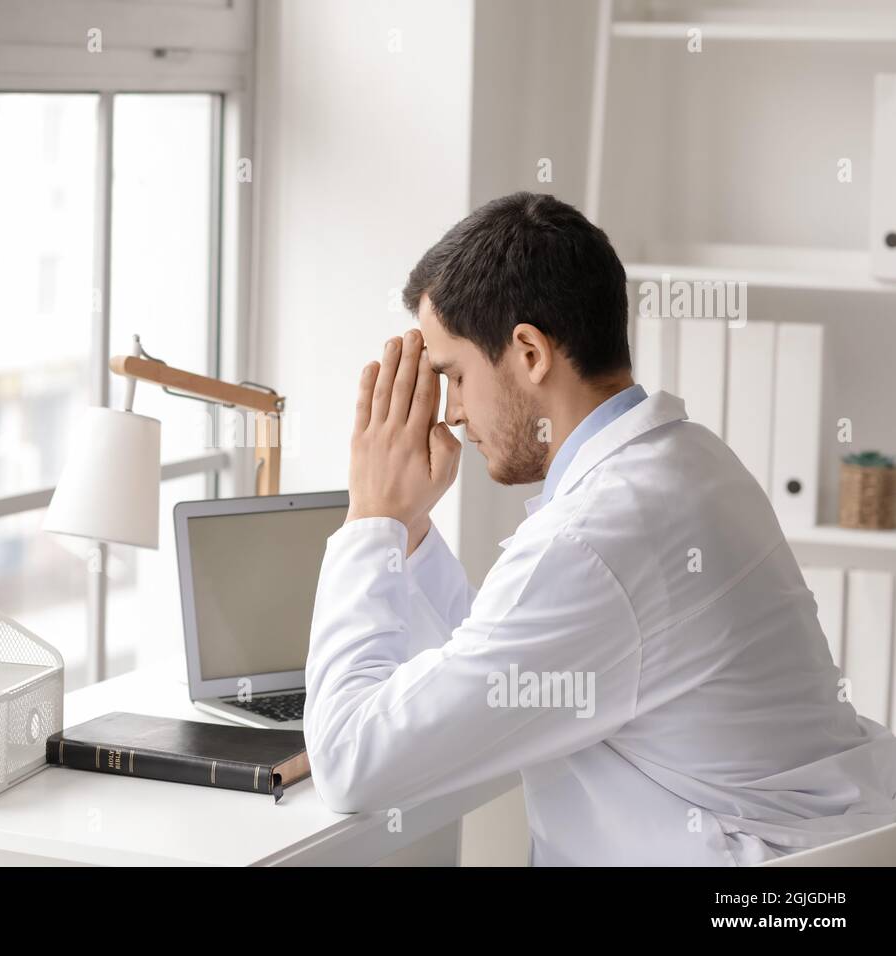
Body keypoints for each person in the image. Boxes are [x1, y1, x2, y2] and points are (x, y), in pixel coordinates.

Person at [303, 191, 896, 865]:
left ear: (528, 352)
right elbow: (505, 665)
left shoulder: (595, 539)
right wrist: (406, 530)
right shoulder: (690, 460)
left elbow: (351, 763)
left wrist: (371, 518)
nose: (455, 412)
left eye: (455, 376)